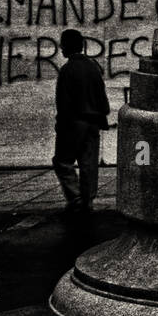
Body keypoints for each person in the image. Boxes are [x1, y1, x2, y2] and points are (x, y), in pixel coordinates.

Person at [51, 29, 109, 213]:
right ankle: (88, 200)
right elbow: (103, 99)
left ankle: (75, 198)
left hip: (74, 123)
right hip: (93, 122)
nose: (60, 48)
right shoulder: (93, 67)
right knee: (88, 163)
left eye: (62, 44)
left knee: (62, 161)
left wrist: (61, 125)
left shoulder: (67, 70)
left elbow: (64, 103)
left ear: (67, 46)